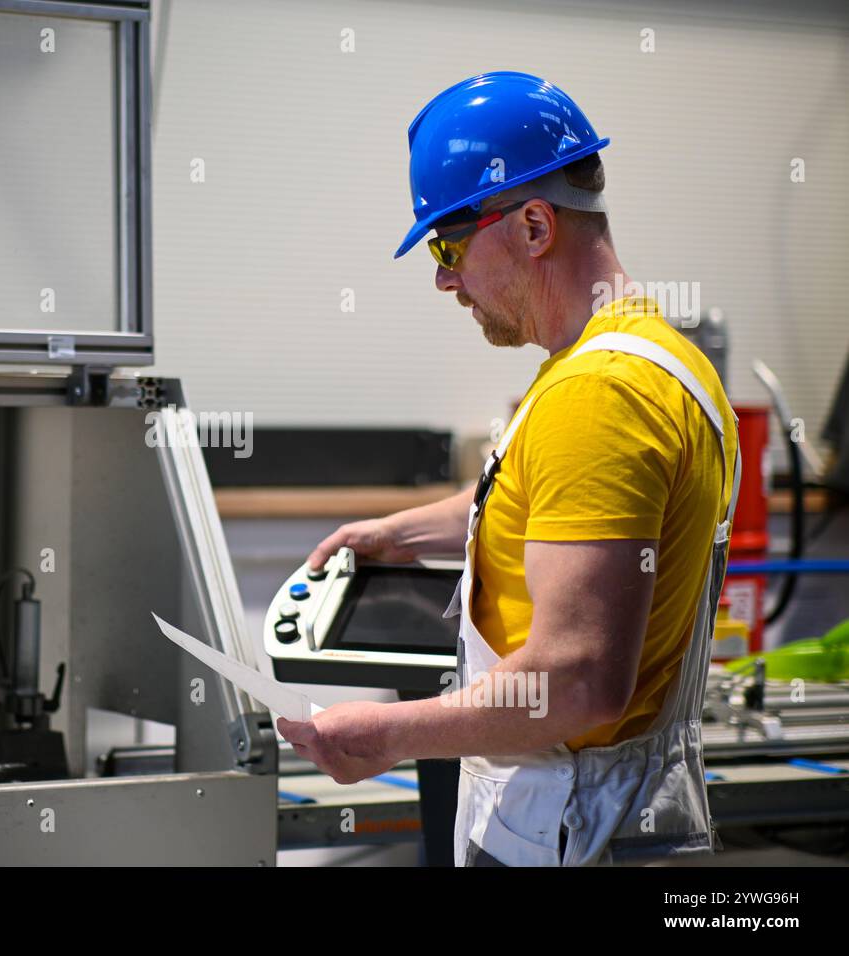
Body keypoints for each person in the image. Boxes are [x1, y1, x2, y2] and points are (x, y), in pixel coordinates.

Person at [276, 72, 741, 867]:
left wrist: (387, 735)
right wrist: (404, 532)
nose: (443, 278)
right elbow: (554, 498)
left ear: (533, 225)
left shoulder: (598, 397)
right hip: (602, 809)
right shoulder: (655, 358)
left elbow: (579, 681)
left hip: (571, 827)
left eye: (449, 245)